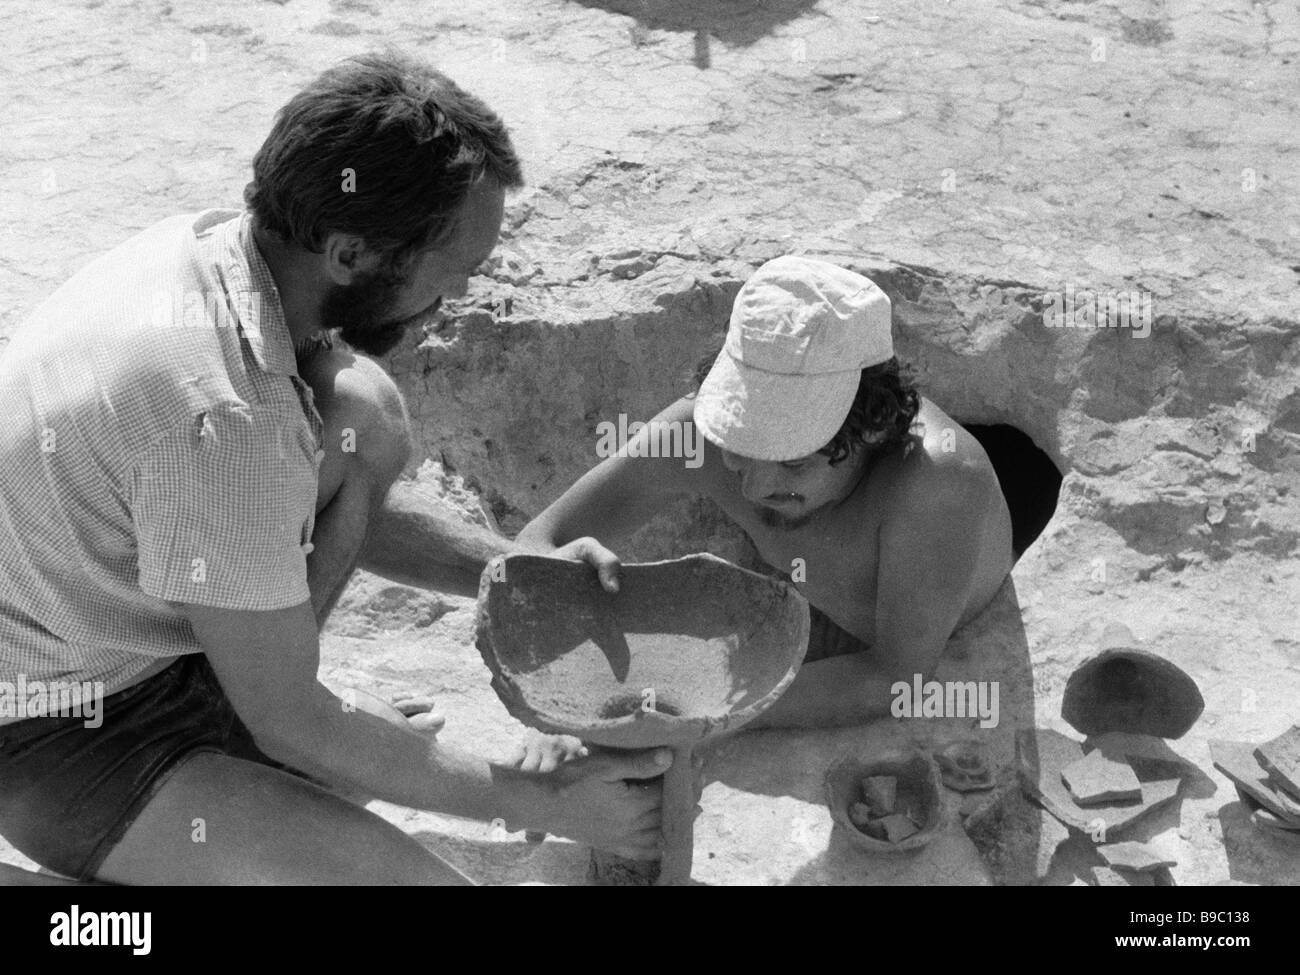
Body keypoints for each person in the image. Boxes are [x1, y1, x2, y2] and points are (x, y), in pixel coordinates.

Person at [0, 51, 671, 886]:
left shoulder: (228, 256)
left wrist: (516, 573)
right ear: (351, 253)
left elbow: (264, 504)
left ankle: (261, 726)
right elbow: (289, 711)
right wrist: (549, 801)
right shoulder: (223, 415)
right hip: (58, 738)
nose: (454, 298)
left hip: (147, 638)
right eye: (449, 273)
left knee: (364, 413)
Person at [517, 255, 1017, 728]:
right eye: (737, 448)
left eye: (793, 461)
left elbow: (894, 679)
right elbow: (537, 544)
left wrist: (703, 714)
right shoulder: (700, 436)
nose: (754, 489)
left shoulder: (937, 484)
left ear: (871, 429)